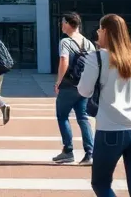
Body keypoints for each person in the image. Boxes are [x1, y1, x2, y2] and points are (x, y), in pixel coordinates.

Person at [77, 14, 131, 197]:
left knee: (100, 183)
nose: (96, 33)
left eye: (99, 29)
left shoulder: (96, 58)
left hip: (111, 130)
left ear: (105, 31)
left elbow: (84, 91)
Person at [54, 12, 94, 165]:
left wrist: (58, 81)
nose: (61, 25)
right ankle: (89, 153)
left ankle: (68, 151)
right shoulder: (88, 43)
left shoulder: (65, 42)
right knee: (83, 118)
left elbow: (64, 60)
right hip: (83, 85)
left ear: (69, 24)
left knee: (62, 116)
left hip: (68, 85)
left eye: (63, 22)